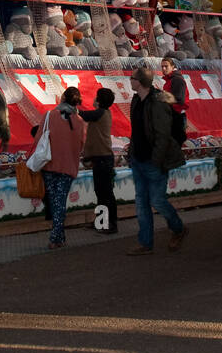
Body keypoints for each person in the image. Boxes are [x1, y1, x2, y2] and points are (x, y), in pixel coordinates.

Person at [126, 67, 188, 255]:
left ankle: (178, 228)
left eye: (132, 78)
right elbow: (136, 130)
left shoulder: (158, 102)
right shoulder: (136, 100)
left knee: (157, 201)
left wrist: (156, 160)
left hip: (153, 161)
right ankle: (145, 242)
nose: (130, 80)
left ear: (140, 82)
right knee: (141, 202)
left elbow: (162, 135)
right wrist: (132, 153)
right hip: (139, 159)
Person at [42, 86, 86, 249]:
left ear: (62, 98)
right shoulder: (80, 121)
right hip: (68, 166)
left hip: (49, 164)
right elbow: (82, 144)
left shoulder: (50, 116)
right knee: (59, 200)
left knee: (55, 201)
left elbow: (39, 137)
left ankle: (56, 237)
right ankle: (58, 237)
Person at [80, 89, 117, 234]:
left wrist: (71, 106)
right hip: (101, 159)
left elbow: (83, 114)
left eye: (96, 97)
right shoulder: (103, 113)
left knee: (105, 193)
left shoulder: (100, 113)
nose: (94, 99)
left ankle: (111, 224)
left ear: (100, 101)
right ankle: (101, 222)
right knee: (101, 192)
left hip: (103, 159)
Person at [161, 54, 190, 141]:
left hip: (177, 116)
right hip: (172, 115)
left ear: (172, 67)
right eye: (162, 67)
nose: (163, 69)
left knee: (176, 143)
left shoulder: (177, 80)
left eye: (166, 66)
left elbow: (179, 99)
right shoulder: (169, 80)